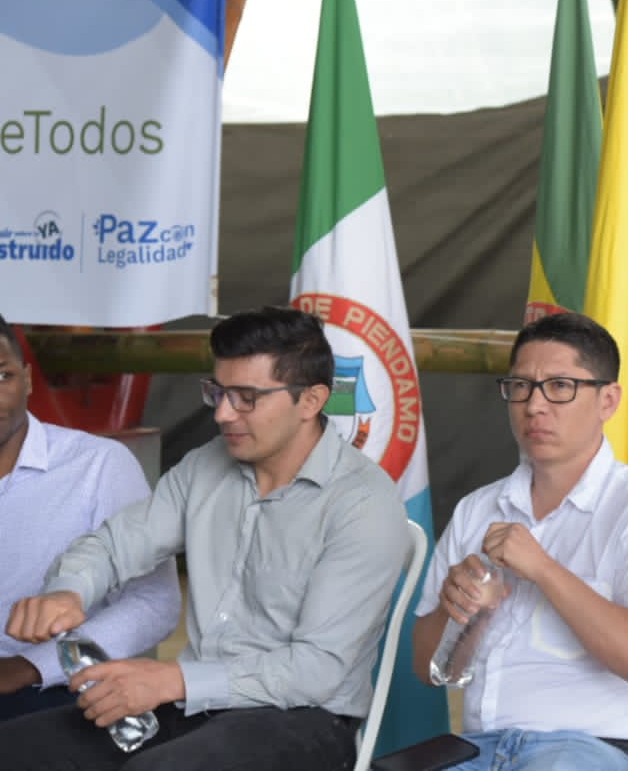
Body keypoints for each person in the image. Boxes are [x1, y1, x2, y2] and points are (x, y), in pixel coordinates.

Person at [0, 306, 412, 770]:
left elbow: (316, 672)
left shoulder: (363, 504)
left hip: (303, 718)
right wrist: (69, 588)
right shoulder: (205, 465)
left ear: (312, 401)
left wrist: (172, 680)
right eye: (217, 391)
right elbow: (115, 544)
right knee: (12, 749)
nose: (222, 413)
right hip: (192, 705)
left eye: (246, 398)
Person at [411, 312, 628, 771]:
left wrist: (544, 570)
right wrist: (461, 612)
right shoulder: (477, 509)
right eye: (521, 387)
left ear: (608, 400)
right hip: (479, 748)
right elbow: (430, 670)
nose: (535, 405)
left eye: (561, 387)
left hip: (592, 749)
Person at [0, 315, 181, 722]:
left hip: (55, 690)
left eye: (2, 375)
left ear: (27, 379)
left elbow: (155, 603)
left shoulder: (97, 465)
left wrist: (29, 667)